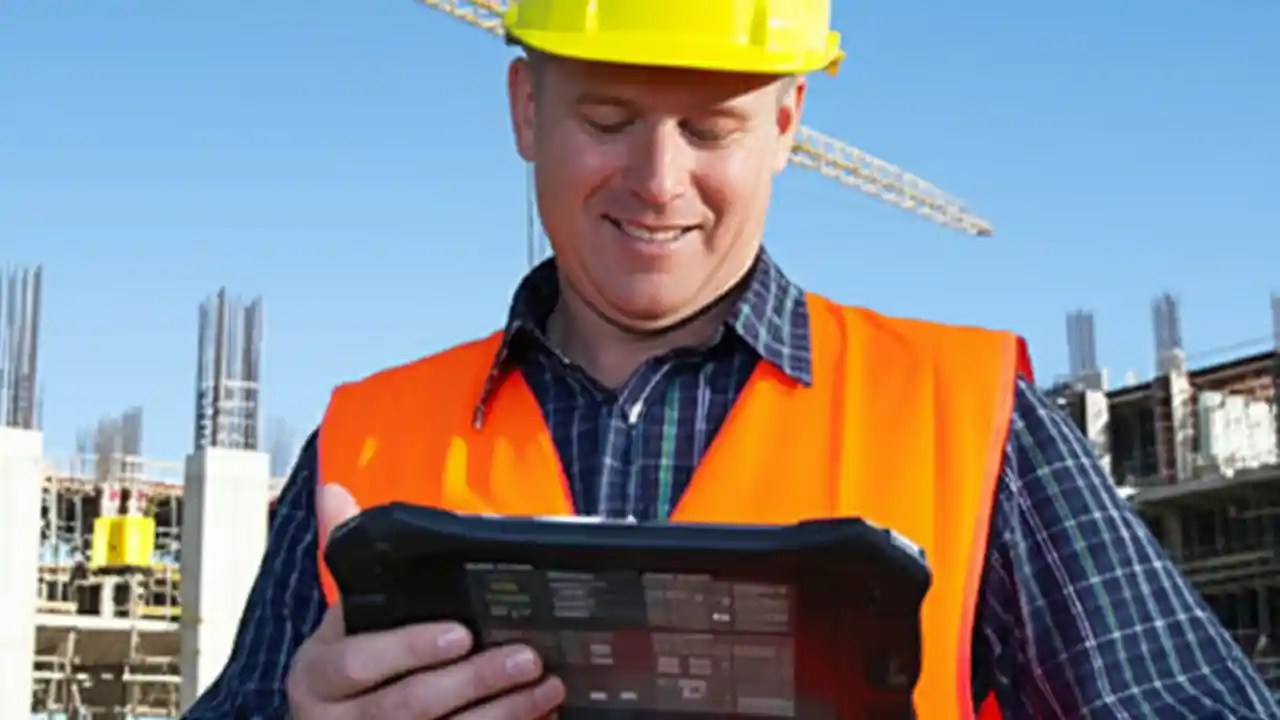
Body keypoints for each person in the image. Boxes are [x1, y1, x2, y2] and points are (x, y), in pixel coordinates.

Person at [185, 1, 1279, 718]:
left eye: (710, 129)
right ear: (525, 109)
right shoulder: (365, 443)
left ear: (787, 124)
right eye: (608, 116)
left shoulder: (972, 423)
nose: (658, 181)